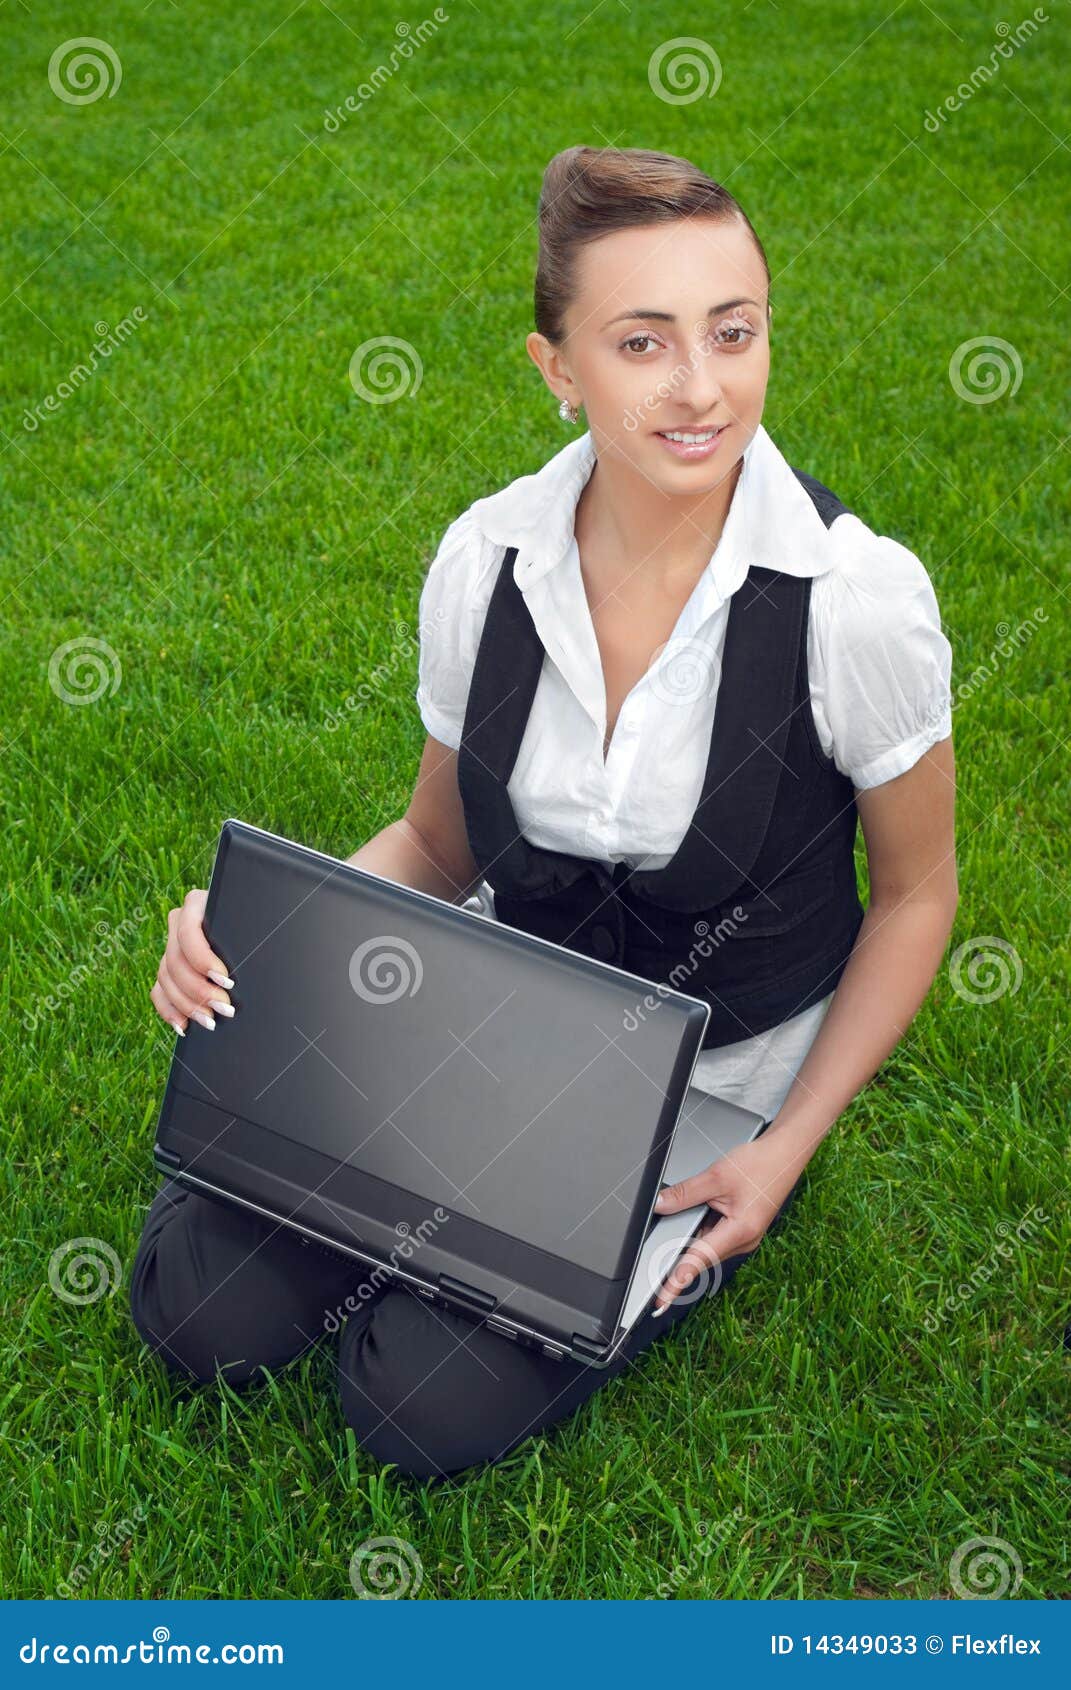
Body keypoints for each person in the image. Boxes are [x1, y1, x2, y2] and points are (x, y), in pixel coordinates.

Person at [135, 145, 958, 1482]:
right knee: (200, 1307)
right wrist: (264, 941)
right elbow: (439, 843)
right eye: (644, 343)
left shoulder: (853, 600)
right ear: (557, 368)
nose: (702, 387)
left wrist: (787, 1150)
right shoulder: (488, 558)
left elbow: (919, 894)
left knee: (416, 1403)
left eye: (733, 333)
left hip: (704, 1092)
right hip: (478, 1016)